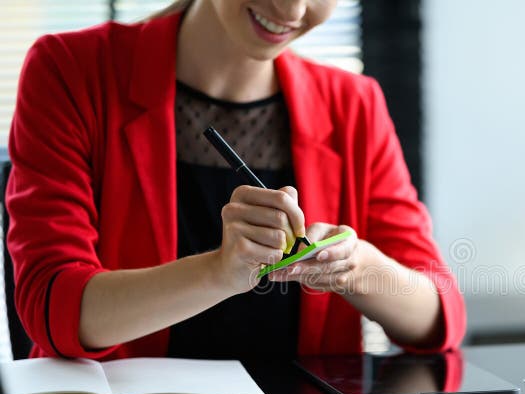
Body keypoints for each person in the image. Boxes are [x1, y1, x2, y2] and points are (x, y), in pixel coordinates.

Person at [6, 0, 465, 362]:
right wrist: (220, 272)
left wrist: (356, 266)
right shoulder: (71, 70)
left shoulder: (353, 104)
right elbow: (52, 307)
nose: (291, 11)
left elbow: (440, 317)